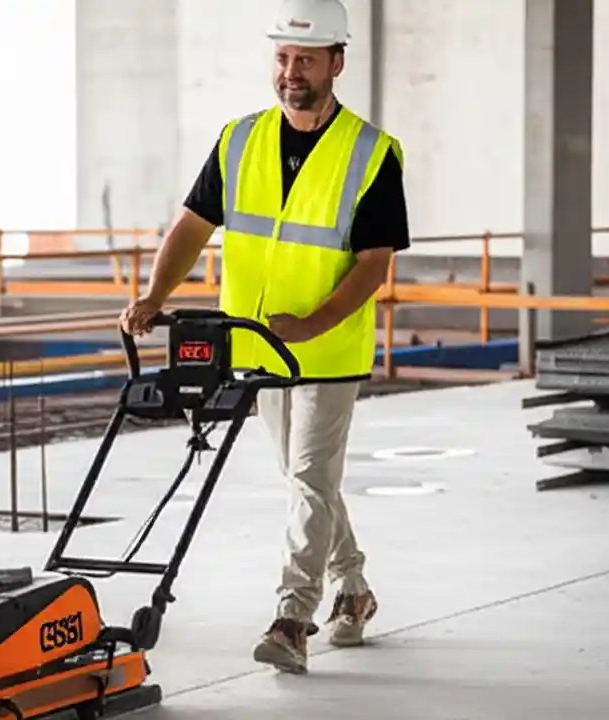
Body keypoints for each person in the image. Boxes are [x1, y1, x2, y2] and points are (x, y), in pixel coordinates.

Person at [119, 0, 410, 674]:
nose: (291, 72)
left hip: (328, 351)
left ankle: (292, 619)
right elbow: (191, 226)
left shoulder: (371, 155)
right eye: (282, 57)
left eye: (305, 59)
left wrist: (311, 323)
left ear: (337, 62)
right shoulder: (239, 140)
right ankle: (357, 591)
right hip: (254, 347)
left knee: (309, 480)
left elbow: (373, 264)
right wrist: (156, 296)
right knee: (308, 482)